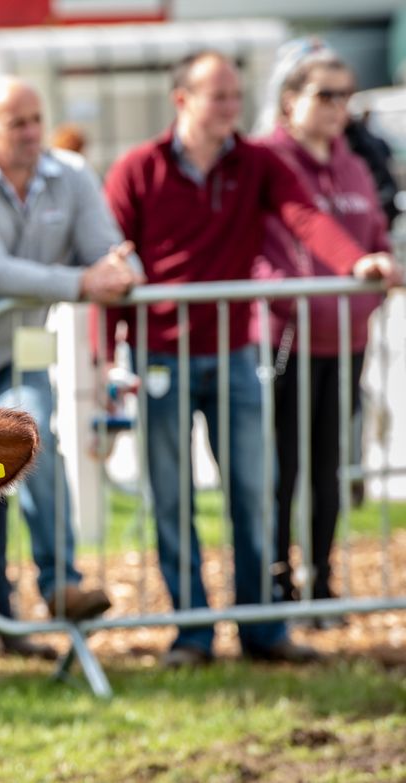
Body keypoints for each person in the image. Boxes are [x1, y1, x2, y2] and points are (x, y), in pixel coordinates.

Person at [102, 50, 400, 667]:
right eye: (218, 97)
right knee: (172, 498)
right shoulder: (139, 169)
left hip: (237, 351)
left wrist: (354, 262)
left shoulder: (255, 163)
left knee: (254, 491)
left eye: (236, 97)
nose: (231, 109)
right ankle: (192, 631)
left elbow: (304, 217)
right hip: (162, 355)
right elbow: (111, 260)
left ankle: (262, 625)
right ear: (182, 99)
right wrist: (108, 358)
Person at [0, 75, 142, 671]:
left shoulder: (69, 174)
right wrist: (82, 282)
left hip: (19, 357)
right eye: (15, 123)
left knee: (36, 446)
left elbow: (111, 253)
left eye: (36, 119)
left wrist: (120, 273)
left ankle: (60, 584)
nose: (30, 134)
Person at [254, 46, 391, 614]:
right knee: (281, 467)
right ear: (291, 100)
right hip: (286, 339)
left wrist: (375, 275)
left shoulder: (354, 161)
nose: (339, 107)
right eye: (326, 95)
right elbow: (259, 250)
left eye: (346, 96)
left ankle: (322, 578)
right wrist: (287, 296)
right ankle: (277, 577)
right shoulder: (267, 159)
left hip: (348, 339)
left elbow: (376, 232)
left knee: (330, 467)